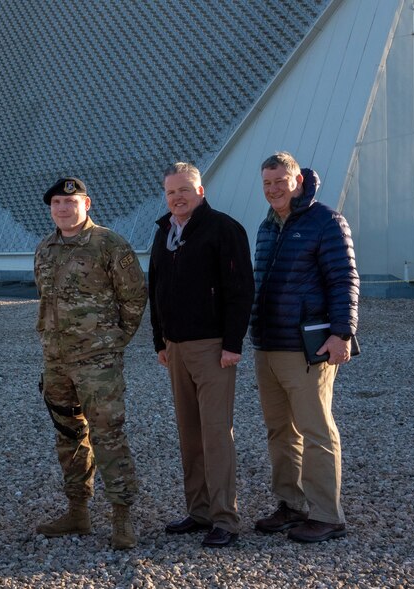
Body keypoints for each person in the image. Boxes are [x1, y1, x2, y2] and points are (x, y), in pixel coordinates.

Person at [251, 152, 359, 543]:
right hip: (268, 345)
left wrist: (342, 333)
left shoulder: (325, 221)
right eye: (266, 183)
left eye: (280, 181)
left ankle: (328, 515)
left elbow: (344, 279)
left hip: (305, 346)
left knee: (315, 429)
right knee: (280, 430)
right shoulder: (267, 226)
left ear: (298, 179)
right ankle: (291, 506)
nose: (273, 189)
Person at [34, 177, 147, 550]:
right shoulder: (45, 250)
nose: (63, 208)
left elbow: (133, 297)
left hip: (97, 363)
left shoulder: (109, 244)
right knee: (68, 436)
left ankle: (121, 517)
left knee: (107, 434)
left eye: (70, 202)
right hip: (57, 362)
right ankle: (78, 511)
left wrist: (113, 342)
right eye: (56, 203)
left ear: (87, 204)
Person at [148, 163, 254, 548]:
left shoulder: (224, 229)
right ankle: (199, 511)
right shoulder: (164, 232)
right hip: (175, 348)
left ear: (201, 191)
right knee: (189, 435)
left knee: (215, 435)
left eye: (185, 190)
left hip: (213, 348)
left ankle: (225, 518)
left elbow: (240, 289)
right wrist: (159, 341)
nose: (178, 197)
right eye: (171, 191)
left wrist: (233, 343)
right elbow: (154, 286)